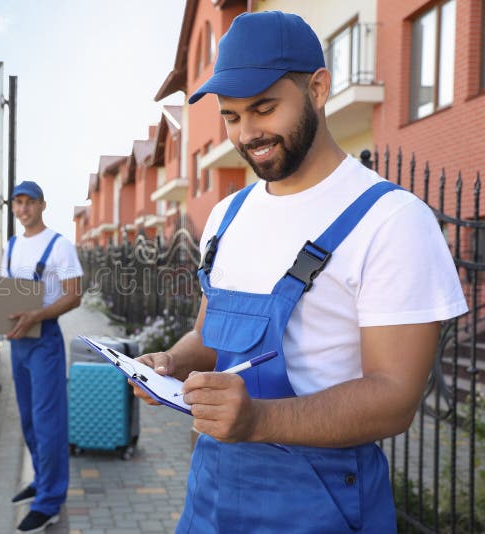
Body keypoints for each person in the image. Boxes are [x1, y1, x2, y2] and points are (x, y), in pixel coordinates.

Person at [132, 11, 467, 533]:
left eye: (264, 109)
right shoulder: (228, 215)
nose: (248, 134)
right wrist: (170, 363)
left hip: (324, 506)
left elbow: (395, 398)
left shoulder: (392, 220)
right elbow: (209, 336)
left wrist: (259, 421)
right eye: (232, 117)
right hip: (211, 496)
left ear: (317, 88)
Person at [1, 180, 83, 533]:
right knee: (29, 420)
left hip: (45, 339)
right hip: (19, 341)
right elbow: (6, 292)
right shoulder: (12, 245)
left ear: (42, 205)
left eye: (29, 202)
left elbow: (75, 296)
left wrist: (38, 315)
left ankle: (49, 503)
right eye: (17, 203)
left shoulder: (60, 246)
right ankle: (41, 480)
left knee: (49, 424)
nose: (23, 209)